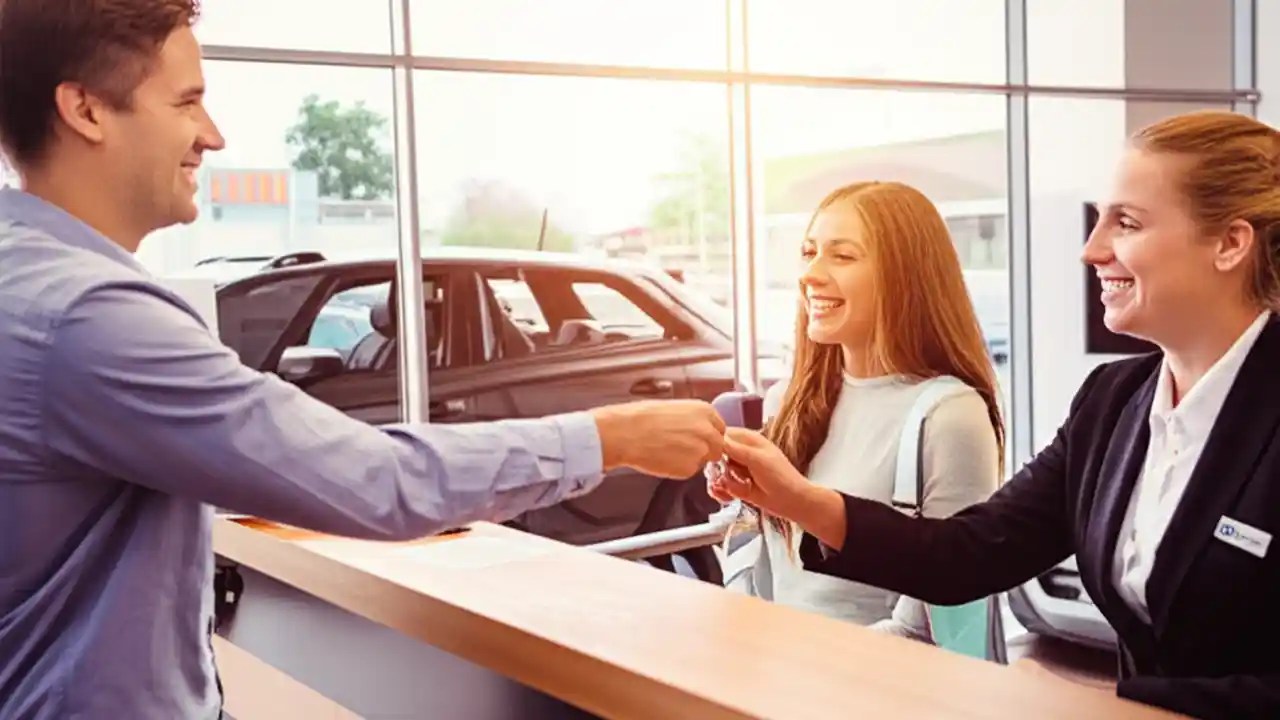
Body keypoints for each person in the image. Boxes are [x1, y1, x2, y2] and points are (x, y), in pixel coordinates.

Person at [0, 2, 726, 717]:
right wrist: (612, 436)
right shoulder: (89, 316)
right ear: (85, 110)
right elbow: (376, 480)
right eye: (188, 102)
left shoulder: (22, 277)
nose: (212, 137)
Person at [713, 109, 1280, 720]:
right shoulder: (1112, 402)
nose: (1092, 250)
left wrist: (1096, 705)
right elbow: (968, 554)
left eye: (1127, 223)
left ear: (1229, 244)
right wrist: (796, 498)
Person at [716, 181, 1003, 643]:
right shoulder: (787, 399)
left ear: (905, 276)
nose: (811, 274)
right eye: (809, 252)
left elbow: (932, 625)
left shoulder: (950, 417)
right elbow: (771, 582)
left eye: (842, 256)